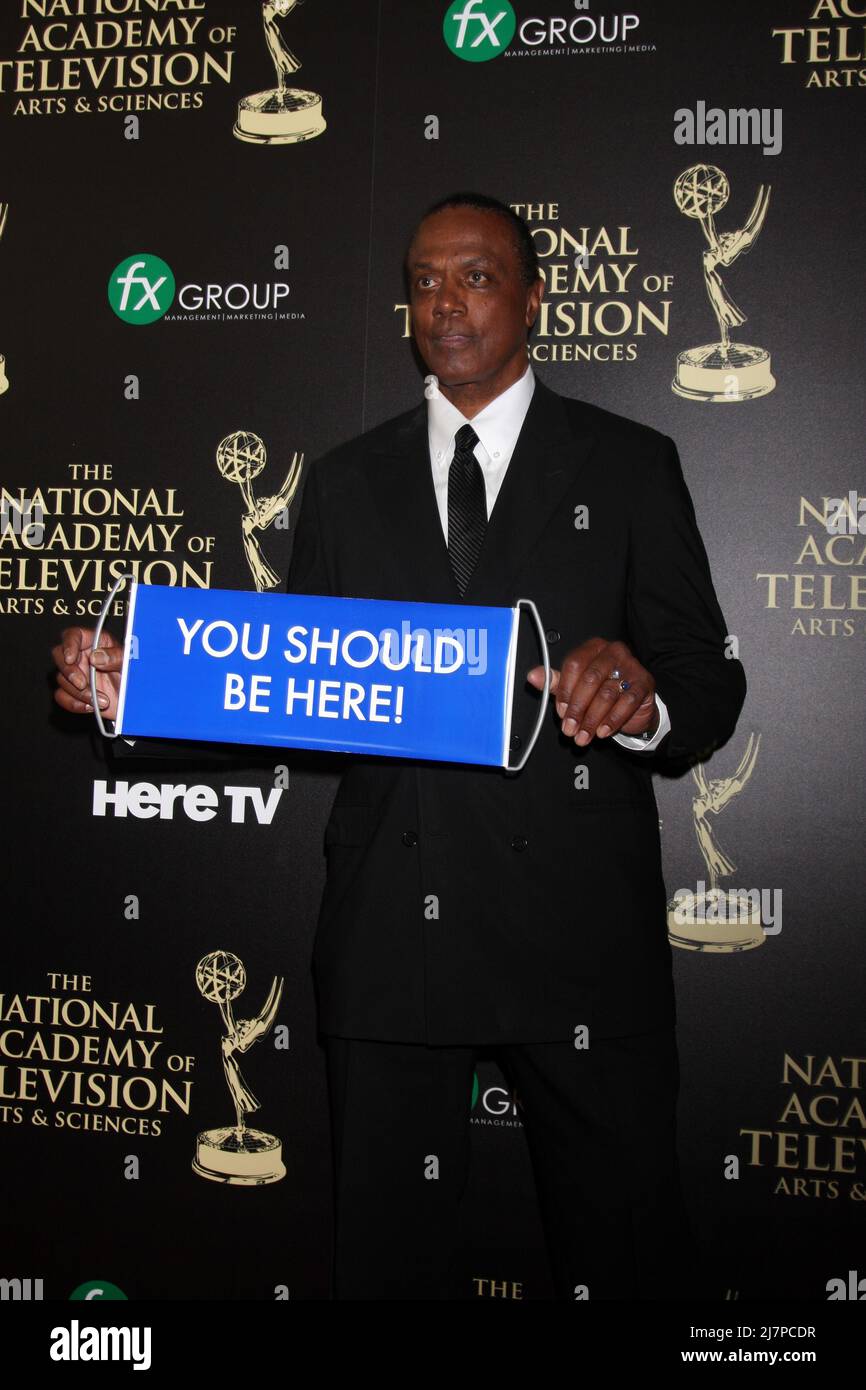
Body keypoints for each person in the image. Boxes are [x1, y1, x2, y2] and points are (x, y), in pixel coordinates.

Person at [52, 192, 746, 1301]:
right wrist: (136, 690)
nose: (445, 300)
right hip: (391, 936)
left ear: (531, 295)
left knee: (623, 1260)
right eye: (424, 280)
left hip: (577, 940)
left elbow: (707, 681)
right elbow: (284, 692)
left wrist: (642, 692)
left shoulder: (626, 463)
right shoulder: (343, 479)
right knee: (388, 1270)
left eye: (474, 275)